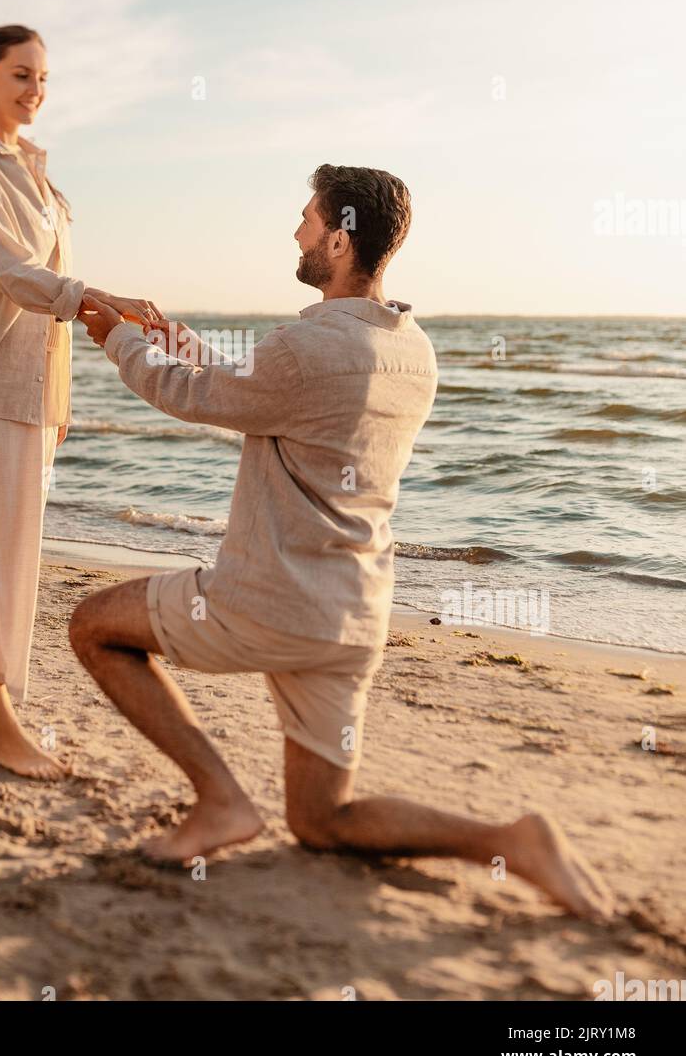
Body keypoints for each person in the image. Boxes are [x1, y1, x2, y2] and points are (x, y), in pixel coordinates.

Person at [70, 164, 613, 920]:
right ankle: (512, 840)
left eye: (306, 217)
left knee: (92, 626)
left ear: (339, 235)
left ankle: (221, 800)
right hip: (351, 618)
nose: (295, 230)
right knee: (323, 821)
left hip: (267, 600)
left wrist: (122, 343)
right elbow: (273, 397)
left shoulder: (305, 345)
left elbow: (196, 399)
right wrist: (182, 340)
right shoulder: (412, 350)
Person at [0, 23, 161, 778]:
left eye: (44, 78)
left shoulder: (34, 168)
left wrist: (62, 394)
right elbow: (14, 275)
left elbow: (42, 295)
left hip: (31, 386)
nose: (35, 91)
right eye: (21, 75)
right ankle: (0, 723)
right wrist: (100, 297)